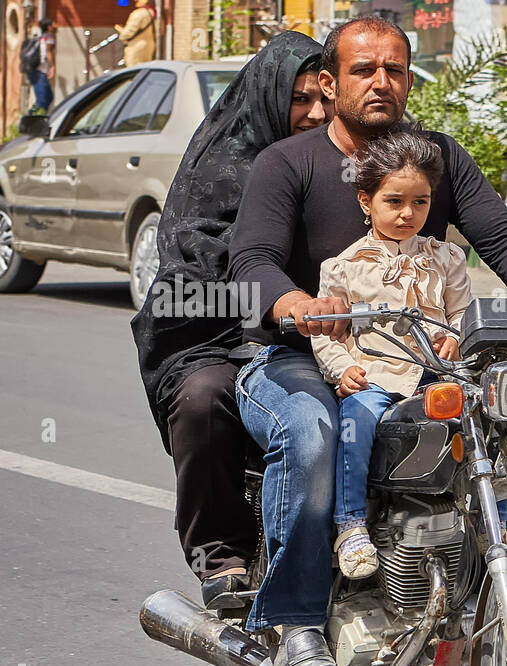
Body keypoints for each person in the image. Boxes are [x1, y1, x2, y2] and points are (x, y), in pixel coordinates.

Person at [227, 15, 507, 666]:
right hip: (303, 358)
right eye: (363, 69)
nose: (381, 82)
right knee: (314, 434)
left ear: (410, 79)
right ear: (330, 81)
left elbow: (499, 235)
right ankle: (295, 627)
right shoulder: (289, 164)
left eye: (395, 70)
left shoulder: (436, 156)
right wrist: (292, 303)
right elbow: (251, 261)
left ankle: (506, 585)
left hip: (412, 358)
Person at [129, 31, 331, 611]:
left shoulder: (349, 160)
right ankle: (222, 554)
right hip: (223, 336)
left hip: (344, 330)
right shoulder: (224, 165)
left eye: (323, 97)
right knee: (205, 396)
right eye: (297, 100)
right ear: (269, 97)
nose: (314, 114)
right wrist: (280, 308)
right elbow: (197, 277)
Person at [310, 127, 476, 578]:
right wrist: (342, 370)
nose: (408, 214)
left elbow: (462, 314)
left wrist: (455, 338)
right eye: (394, 201)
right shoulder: (342, 267)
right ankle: (350, 524)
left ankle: (491, 516)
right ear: (367, 201)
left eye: (420, 202)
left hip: (437, 374)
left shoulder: (447, 258)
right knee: (356, 420)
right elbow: (326, 332)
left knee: (491, 412)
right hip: (375, 374)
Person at [22, 19, 55, 114]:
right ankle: (31, 119)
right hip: (39, 72)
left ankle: (32, 115)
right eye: (53, 25)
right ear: (49, 27)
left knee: (48, 97)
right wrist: (52, 67)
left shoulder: (39, 38)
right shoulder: (49, 37)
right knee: (43, 99)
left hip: (33, 71)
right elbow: (48, 52)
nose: (55, 27)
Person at [116, 0, 156, 68]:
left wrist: (121, 32)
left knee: (133, 69)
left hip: (136, 45)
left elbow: (128, 32)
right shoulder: (152, 12)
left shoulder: (138, 14)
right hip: (150, 44)